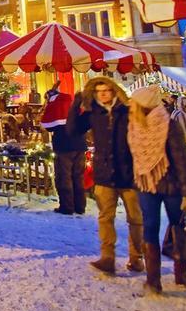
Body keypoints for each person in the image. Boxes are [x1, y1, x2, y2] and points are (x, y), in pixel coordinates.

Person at [67, 76, 144, 275]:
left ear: (113, 91)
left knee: (135, 218)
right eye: (98, 91)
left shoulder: (127, 111)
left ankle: (137, 257)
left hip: (129, 173)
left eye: (106, 90)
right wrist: (76, 105)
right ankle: (107, 257)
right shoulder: (95, 113)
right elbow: (73, 129)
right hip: (104, 173)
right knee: (105, 217)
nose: (102, 94)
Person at [127, 85, 186, 293]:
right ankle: (153, 279)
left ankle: (180, 271)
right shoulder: (134, 126)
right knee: (150, 227)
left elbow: (181, 161)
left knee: (177, 226)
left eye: (135, 102)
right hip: (145, 184)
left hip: (172, 185)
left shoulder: (169, 125)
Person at [42, 84, 85, 215]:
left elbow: (47, 125)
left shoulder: (54, 105)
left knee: (64, 176)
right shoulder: (72, 103)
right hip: (79, 144)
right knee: (78, 176)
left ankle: (67, 207)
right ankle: (80, 206)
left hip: (63, 146)